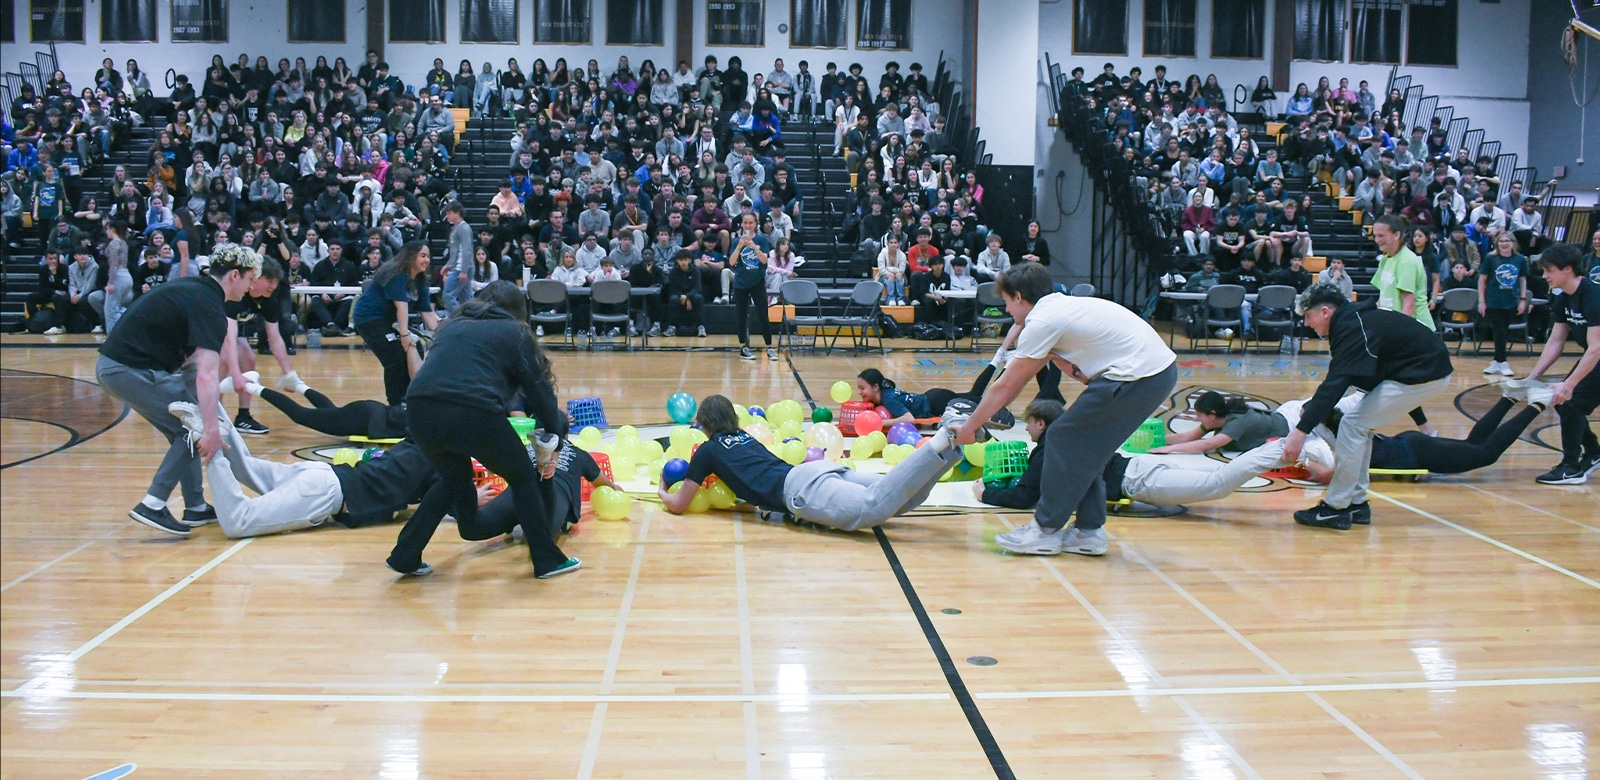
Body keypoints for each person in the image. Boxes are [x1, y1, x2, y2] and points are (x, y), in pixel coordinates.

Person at [956, 263, 1178, 556]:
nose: (1008, 310)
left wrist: (970, 427)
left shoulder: (1042, 321)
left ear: (1019, 297)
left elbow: (1006, 387)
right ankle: (1088, 533)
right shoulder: (1062, 307)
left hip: (1138, 375)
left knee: (1060, 437)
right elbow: (1084, 373)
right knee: (1088, 449)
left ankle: (1044, 531)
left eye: (1007, 302)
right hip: (1156, 371)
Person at [386, 281, 579, 579]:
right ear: (518, 310)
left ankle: (405, 554)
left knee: (453, 479)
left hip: (419, 410)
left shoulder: (451, 326)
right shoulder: (515, 332)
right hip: (471, 410)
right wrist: (555, 440)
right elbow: (540, 393)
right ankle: (546, 559)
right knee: (524, 476)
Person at [96, 243, 260, 536]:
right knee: (193, 429)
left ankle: (195, 506)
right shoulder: (209, 305)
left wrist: (205, 421)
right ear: (235, 275)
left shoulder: (197, 289)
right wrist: (210, 429)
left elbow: (192, 368)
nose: (251, 286)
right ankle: (153, 503)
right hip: (127, 369)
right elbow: (207, 376)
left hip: (120, 367)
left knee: (184, 430)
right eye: (250, 279)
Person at [656, 395, 969, 532]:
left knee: (872, 507)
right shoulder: (744, 435)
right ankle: (956, 443)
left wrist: (661, 491)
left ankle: (943, 439)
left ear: (705, 424)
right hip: (811, 469)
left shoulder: (708, 450)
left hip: (798, 490)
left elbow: (681, 504)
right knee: (900, 499)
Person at [1282, 284, 1454, 529]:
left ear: (1325, 311)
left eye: (1308, 316)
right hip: (1422, 372)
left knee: (1353, 425)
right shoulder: (1354, 322)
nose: (1308, 323)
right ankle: (1356, 504)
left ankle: (1336, 508)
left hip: (1425, 374)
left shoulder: (1351, 328)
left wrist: (1299, 432)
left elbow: (1335, 385)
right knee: (1359, 426)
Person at [165, 401, 435, 538]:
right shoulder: (438, 462)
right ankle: (209, 437)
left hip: (321, 474)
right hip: (324, 494)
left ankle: (211, 408)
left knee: (245, 467)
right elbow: (456, 510)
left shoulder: (415, 442)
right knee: (239, 522)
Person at [1516, 245, 1600, 484]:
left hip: (1597, 352)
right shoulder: (1564, 298)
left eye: (1549, 270)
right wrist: (1533, 376)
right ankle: (1593, 453)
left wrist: (1569, 384)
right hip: (1595, 355)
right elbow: (1556, 341)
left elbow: (1596, 347)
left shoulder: (1594, 297)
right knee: (1564, 401)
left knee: (1570, 401)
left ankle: (1571, 466)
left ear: (1568, 269)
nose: (1544, 276)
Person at [351, 242, 440, 406]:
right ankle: (395, 404)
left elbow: (428, 314)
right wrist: (405, 335)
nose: (427, 260)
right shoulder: (397, 274)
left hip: (391, 320)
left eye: (428, 256)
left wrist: (445, 334)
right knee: (394, 357)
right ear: (410, 257)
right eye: (423, 255)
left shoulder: (420, 281)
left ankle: (410, 398)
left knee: (416, 349)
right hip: (370, 318)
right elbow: (402, 306)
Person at [220, 256, 299, 435]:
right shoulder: (235, 294)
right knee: (222, 361)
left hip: (227, 333)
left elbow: (275, 339)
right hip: (206, 330)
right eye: (270, 281)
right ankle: (214, 416)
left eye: (276, 282)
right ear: (255, 278)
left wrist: (289, 374)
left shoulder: (268, 299)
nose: (274, 286)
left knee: (249, 358)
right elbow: (227, 338)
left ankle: (243, 417)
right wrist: (235, 374)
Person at [1149, 391, 1289, 455]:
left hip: (1290, 425)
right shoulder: (1216, 420)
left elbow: (1208, 444)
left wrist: (1170, 449)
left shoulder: (1238, 422)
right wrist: (1155, 440)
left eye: (1199, 415)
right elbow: (1186, 437)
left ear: (1212, 415)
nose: (1197, 418)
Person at [1478, 231, 1529, 377]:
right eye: (1501, 241)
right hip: (1493, 300)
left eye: (1507, 241)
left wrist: (1523, 299)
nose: (1504, 244)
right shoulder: (1490, 258)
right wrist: (1481, 300)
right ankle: (1502, 361)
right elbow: (1482, 280)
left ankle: (1497, 361)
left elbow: (1523, 280)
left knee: (1504, 331)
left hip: (1511, 300)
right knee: (1499, 330)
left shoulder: (1520, 259)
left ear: (1513, 243)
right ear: (1497, 243)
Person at [728, 212, 776, 361]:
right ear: (742, 225)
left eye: (751, 223)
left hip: (757, 282)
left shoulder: (762, 240)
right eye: (745, 223)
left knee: (763, 315)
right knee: (741, 316)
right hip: (741, 283)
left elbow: (764, 260)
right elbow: (731, 262)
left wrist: (754, 247)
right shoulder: (736, 241)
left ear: (755, 224)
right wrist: (740, 246)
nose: (748, 226)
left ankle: (769, 347)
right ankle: (743, 347)